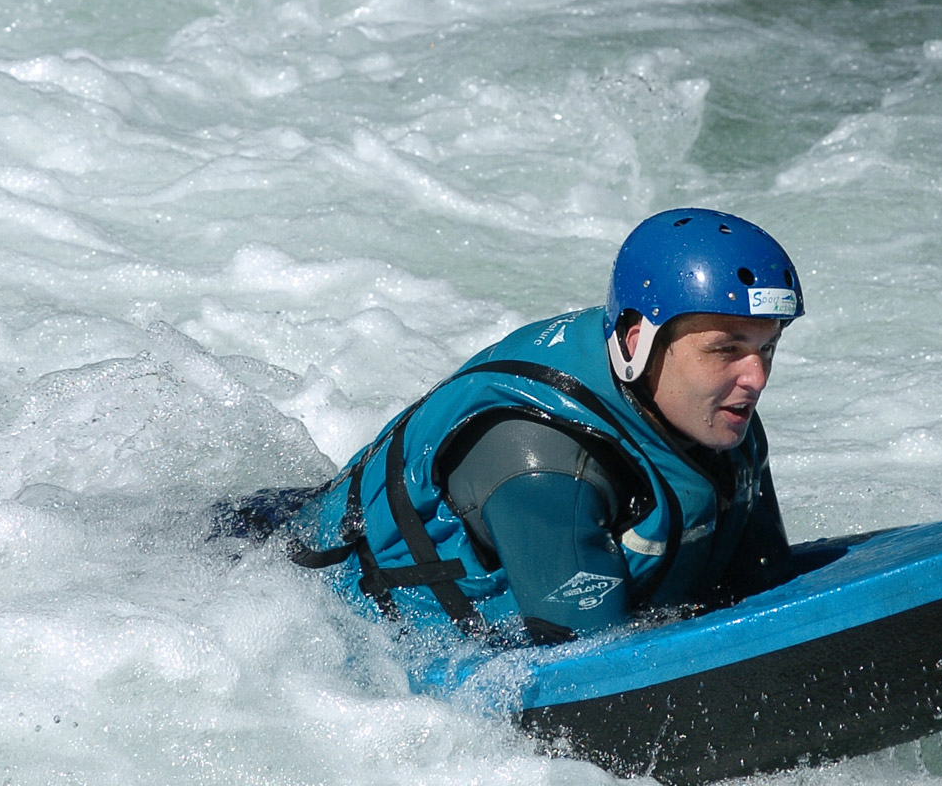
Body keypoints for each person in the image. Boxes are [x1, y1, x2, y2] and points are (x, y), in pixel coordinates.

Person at [228, 208, 805, 645]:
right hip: (285, 584)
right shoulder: (544, 466)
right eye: (726, 349)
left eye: (767, 348)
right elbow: (593, 678)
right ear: (638, 343)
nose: (755, 377)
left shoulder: (712, 413)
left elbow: (767, 587)